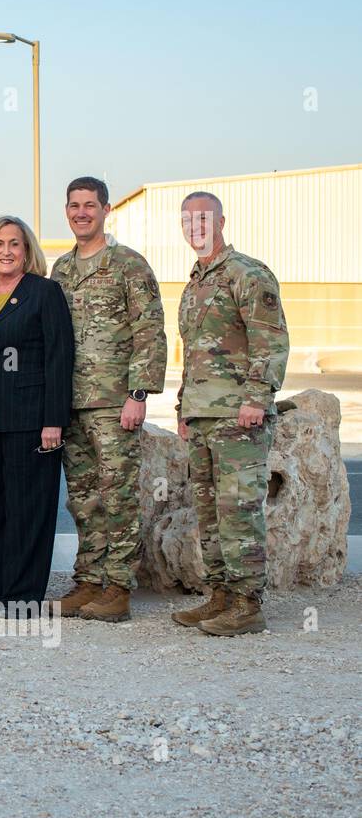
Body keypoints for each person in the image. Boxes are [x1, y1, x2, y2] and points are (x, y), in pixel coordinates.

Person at [49, 177, 167, 622]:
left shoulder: (128, 265)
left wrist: (139, 394)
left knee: (117, 495)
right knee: (81, 497)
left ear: (106, 209)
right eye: (74, 206)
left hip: (115, 402)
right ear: (67, 211)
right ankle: (88, 581)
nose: (82, 213)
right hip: (71, 401)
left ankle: (117, 587)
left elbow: (150, 332)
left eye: (90, 205)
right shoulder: (61, 270)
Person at [171, 191, 289, 636]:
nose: (195, 226)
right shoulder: (196, 280)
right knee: (210, 513)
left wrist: (257, 398)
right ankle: (220, 594)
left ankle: (247, 603)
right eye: (187, 220)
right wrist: (184, 407)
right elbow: (195, 355)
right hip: (203, 414)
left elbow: (270, 340)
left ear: (221, 220)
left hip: (239, 416)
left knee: (239, 510)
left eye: (203, 218)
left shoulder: (247, 273)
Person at [0, 215, 73, 607]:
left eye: (14, 244)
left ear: (27, 251)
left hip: (30, 418)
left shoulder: (44, 292)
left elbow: (59, 359)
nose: (6, 251)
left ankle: (23, 596)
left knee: (28, 507)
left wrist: (53, 421)